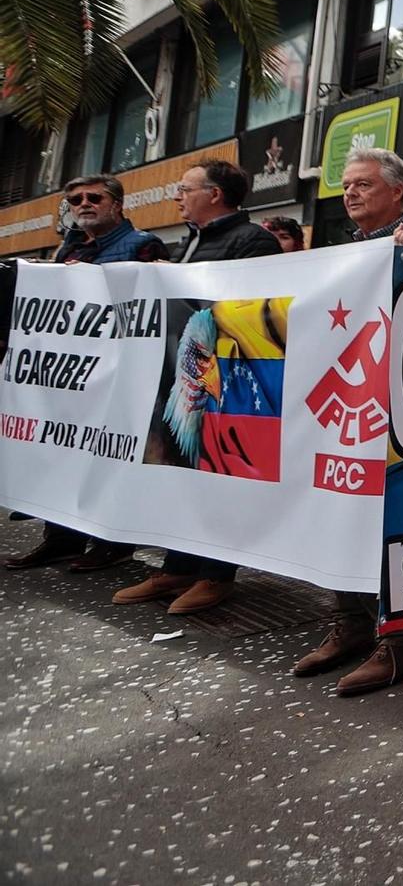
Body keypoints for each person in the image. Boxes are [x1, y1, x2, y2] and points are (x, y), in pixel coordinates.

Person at [291, 146, 403, 693]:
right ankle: (349, 624)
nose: (349, 193)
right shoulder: (340, 255)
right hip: (345, 412)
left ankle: (400, 642)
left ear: (397, 191)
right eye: (347, 185)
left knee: (394, 519)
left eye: (363, 184)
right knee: (342, 512)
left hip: (402, 409)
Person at [110, 159, 280, 614]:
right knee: (176, 474)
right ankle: (178, 564)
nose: (177, 197)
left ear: (216, 194)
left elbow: (253, 308)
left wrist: (181, 281)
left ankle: (216, 574)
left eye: (185, 188)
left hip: (223, 385)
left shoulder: (254, 241)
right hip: (176, 382)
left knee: (215, 478)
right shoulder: (187, 243)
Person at [3, 175, 167, 573]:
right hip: (72, 379)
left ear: (118, 204)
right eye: (75, 199)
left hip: (117, 376)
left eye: (95, 197)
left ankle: (114, 542)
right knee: (64, 455)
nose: (84, 204)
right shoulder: (70, 248)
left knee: (112, 458)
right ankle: (59, 539)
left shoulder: (144, 245)